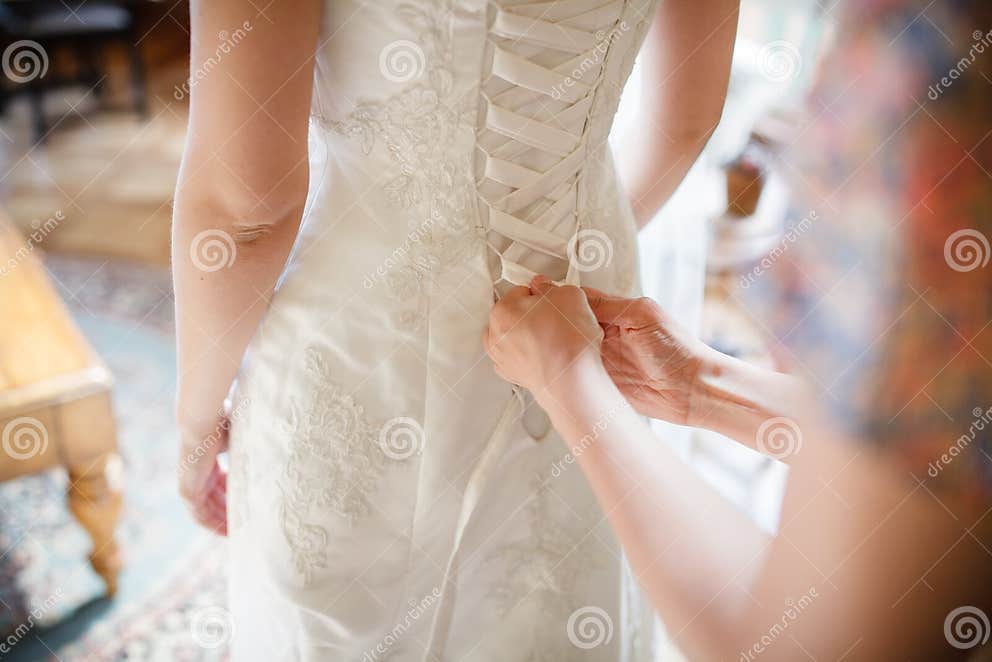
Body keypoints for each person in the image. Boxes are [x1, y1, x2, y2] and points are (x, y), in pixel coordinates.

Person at [171, 0, 739, 659]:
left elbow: (245, 207)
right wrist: (558, 271)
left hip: (364, 338)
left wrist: (195, 426)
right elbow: (685, 125)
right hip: (585, 319)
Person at [483, 0, 992, 658]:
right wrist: (704, 386)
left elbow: (815, 649)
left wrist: (573, 386)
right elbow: (952, 447)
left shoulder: (931, 83)